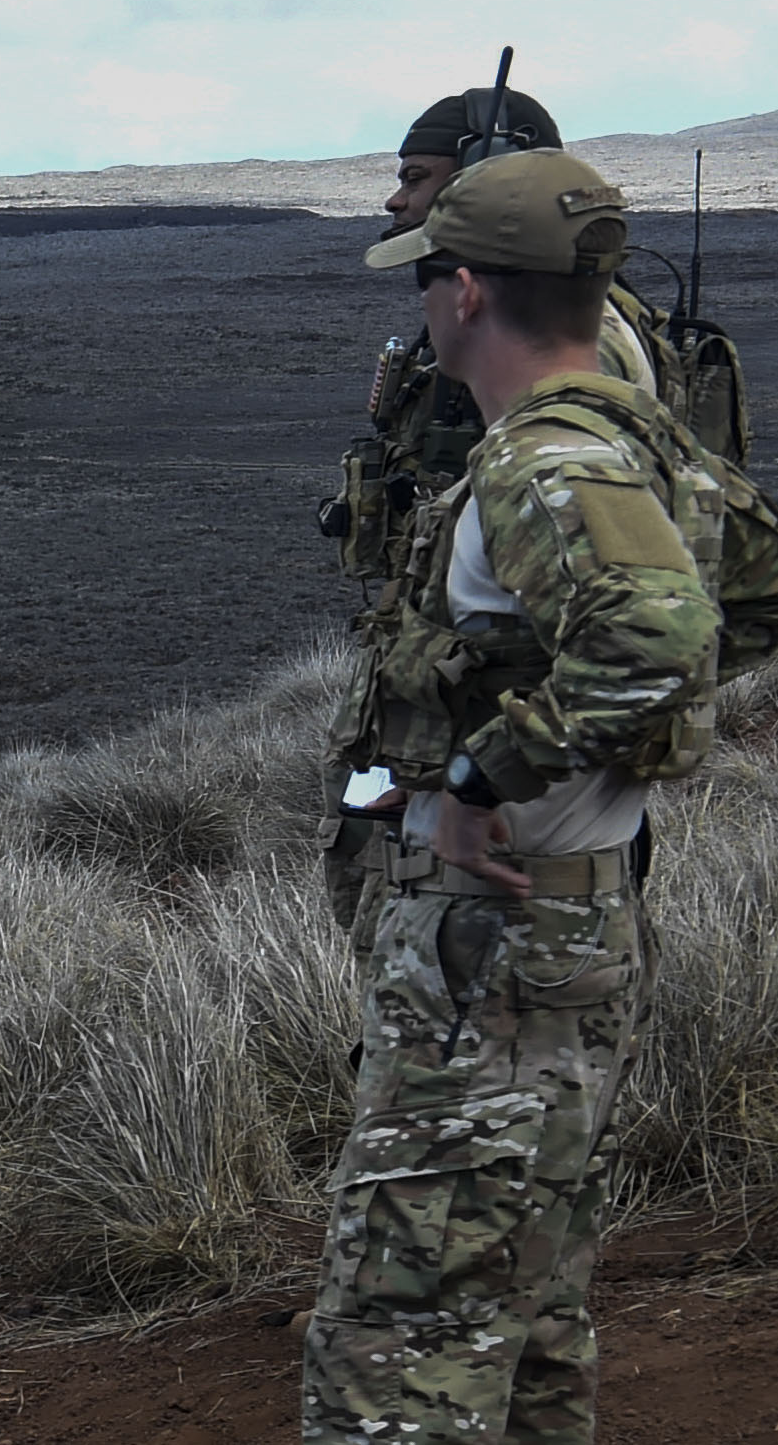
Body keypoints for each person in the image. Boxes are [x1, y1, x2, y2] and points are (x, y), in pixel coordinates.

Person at [310, 148, 728, 1442]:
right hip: (576, 916)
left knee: (405, 1336)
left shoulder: (541, 464)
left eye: (432, 272)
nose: (424, 300)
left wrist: (488, 780)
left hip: (491, 945)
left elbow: (659, 642)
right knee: (533, 1314)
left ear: (471, 292)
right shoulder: (639, 438)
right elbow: (741, 602)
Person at [320, 87, 663, 928]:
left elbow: (640, 626)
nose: (395, 200)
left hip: (512, 814)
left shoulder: (566, 362)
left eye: (415, 176)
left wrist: (487, 768)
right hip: (457, 750)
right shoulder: (531, 349)